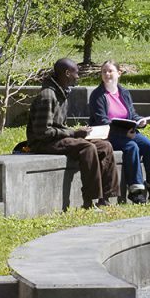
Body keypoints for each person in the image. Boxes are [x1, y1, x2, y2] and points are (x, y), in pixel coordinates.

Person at [25, 58, 119, 209]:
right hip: (43, 143)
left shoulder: (61, 92)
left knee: (105, 146)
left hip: (57, 138)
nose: (78, 76)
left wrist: (76, 133)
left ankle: (105, 199)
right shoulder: (48, 96)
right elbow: (42, 132)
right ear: (67, 73)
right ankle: (89, 201)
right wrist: (73, 134)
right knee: (87, 148)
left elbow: (57, 126)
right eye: (76, 73)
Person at [87, 60, 150, 204]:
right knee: (131, 147)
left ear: (119, 73)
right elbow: (102, 120)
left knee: (149, 146)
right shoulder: (97, 95)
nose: (107, 74)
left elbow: (131, 114)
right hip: (109, 135)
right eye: (104, 71)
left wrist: (140, 121)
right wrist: (123, 132)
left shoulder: (124, 93)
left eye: (110, 71)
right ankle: (136, 191)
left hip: (129, 131)